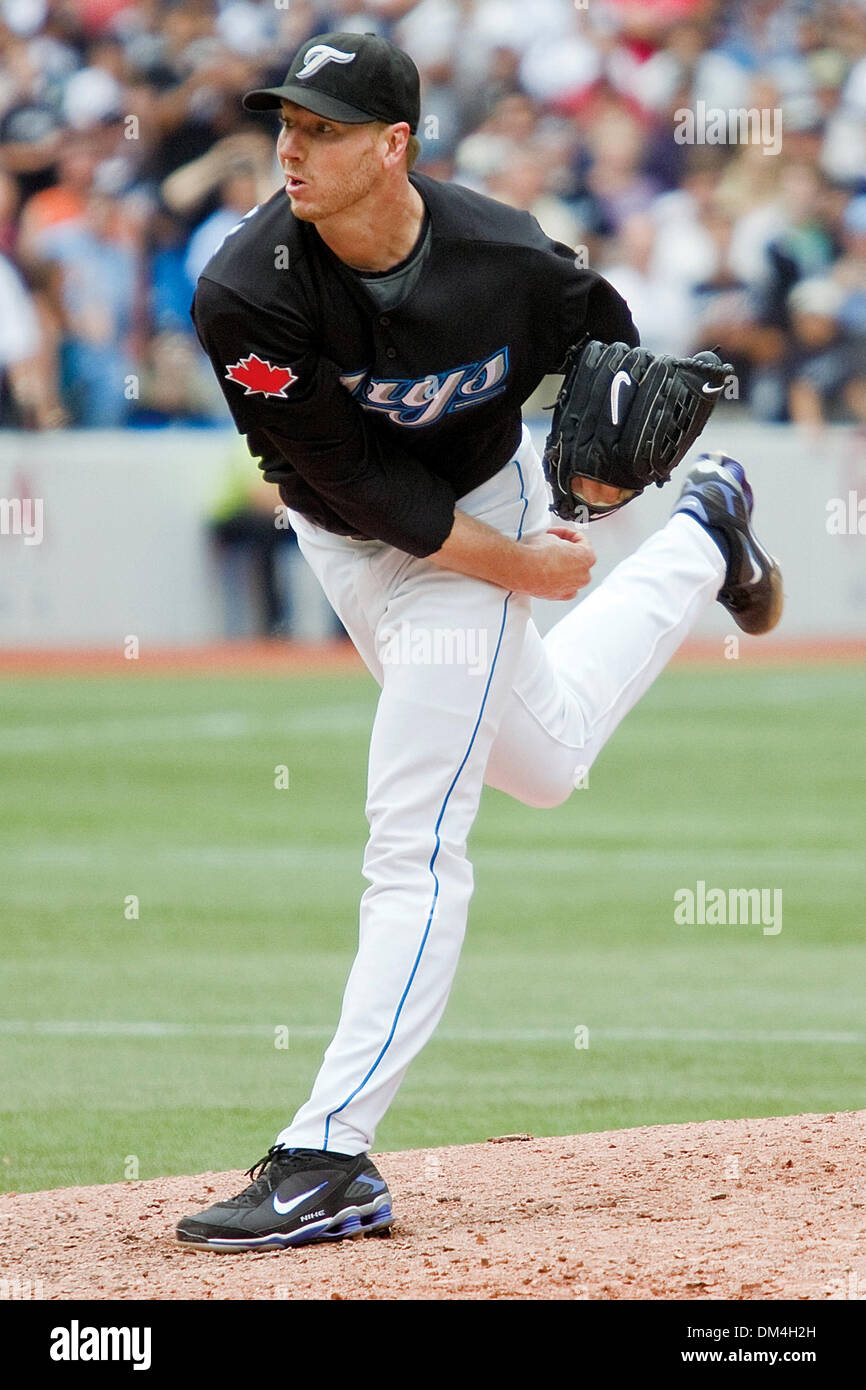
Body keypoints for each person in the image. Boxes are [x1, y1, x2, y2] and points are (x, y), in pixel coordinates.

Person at [176, 32, 782, 1253]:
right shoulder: (245, 289)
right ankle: (707, 538)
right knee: (542, 762)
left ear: (394, 144)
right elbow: (346, 484)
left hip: (483, 509)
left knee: (414, 833)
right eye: (284, 123)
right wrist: (526, 569)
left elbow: (602, 339)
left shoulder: (502, 252)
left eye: (324, 127)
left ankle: (330, 1153)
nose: (290, 146)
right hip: (350, 538)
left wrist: (591, 495)